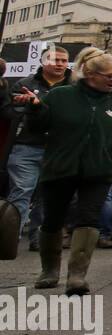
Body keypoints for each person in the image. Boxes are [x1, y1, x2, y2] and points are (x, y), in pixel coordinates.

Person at [21, 48, 112, 295]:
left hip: (97, 172)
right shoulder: (60, 95)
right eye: (109, 76)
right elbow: (37, 126)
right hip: (59, 168)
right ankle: (49, 271)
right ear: (89, 73)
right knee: (53, 220)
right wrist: (35, 107)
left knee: (89, 219)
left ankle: (77, 275)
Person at [3, 44, 71, 251]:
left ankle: (38, 238)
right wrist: (27, 104)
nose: (59, 64)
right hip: (27, 147)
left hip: (58, 149)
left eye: (63, 61)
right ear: (43, 62)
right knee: (22, 191)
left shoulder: (74, 87)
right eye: (54, 60)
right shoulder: (25, 84)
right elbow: (10, 112)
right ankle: (9, 237)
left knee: (47, 196)